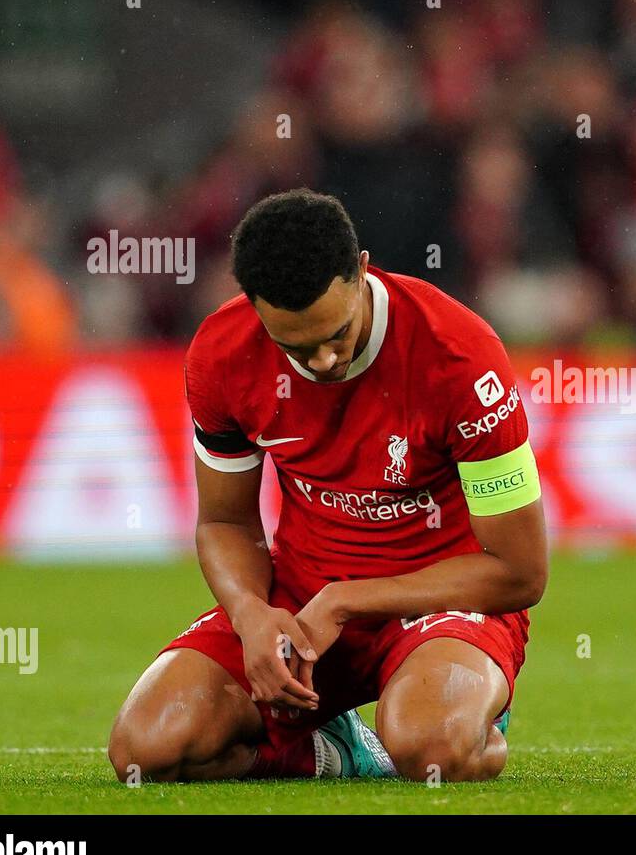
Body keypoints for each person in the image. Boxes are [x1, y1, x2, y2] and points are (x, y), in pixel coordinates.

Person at [108, 189, 548, 783]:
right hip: (303, 600)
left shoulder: (461, 358)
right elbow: (224, 523)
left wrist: (344, 601)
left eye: (336, 334)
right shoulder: (222, 355)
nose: (320, 362)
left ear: (363, 271)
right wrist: (251, 614)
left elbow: (521, 571)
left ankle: (468, 716)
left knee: (435, 750)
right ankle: (338, 749)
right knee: (148, 750)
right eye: (294, 346)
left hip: (442, 604)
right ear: (256, 309)